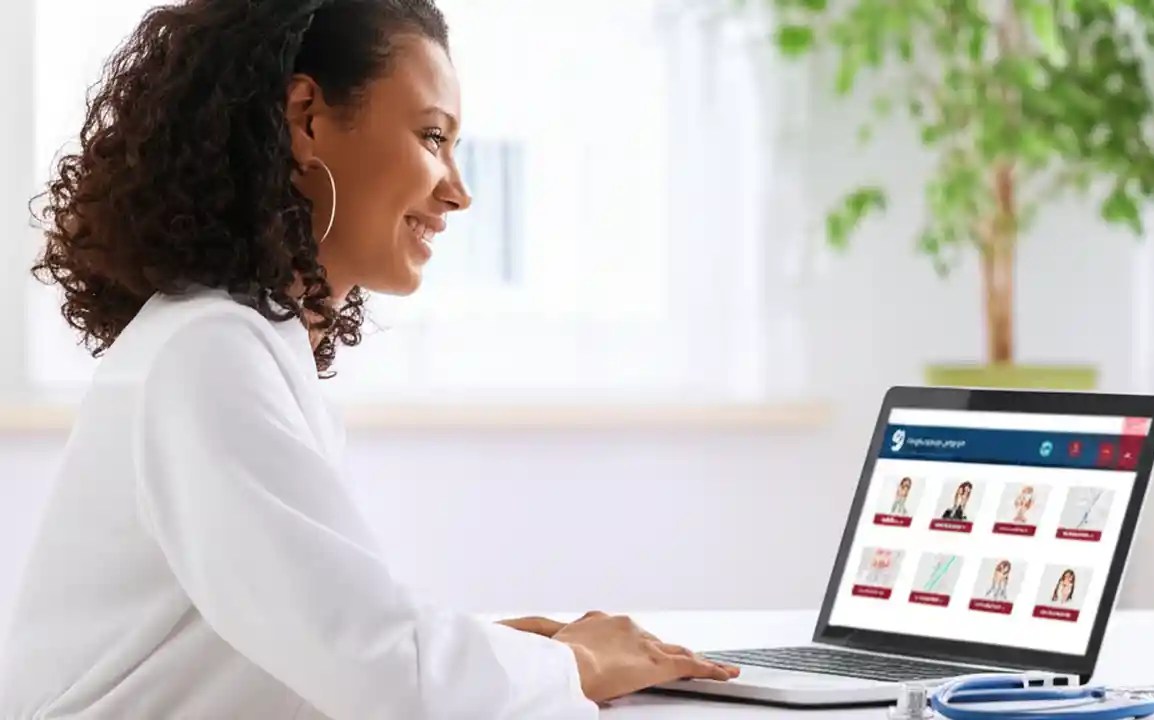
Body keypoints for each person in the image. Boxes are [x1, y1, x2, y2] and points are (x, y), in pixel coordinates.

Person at [0, 1, 736, 718]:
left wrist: (493, 657)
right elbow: (388, 680)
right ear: (306, 120)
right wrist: (577, 666)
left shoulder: (235, 343)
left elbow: (308, 654)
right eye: (432, 137)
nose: (458, 192)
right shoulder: (207, 353)